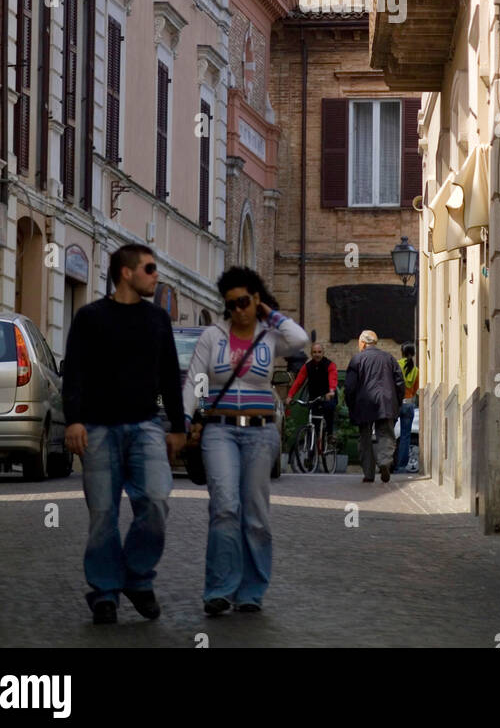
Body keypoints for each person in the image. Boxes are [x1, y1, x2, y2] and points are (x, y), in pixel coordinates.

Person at [62, 244, 186, 625]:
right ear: (126, 273)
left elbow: (169, 375)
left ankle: (135, 577)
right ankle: (104, 592)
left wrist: (178, 427)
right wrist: (74, 420)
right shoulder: (89, 317)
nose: (155, 275)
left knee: (155, 500)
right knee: (103, 515)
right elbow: (76, 372)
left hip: (146, 425)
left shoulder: (157, 320)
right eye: (149, 268)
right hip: (97, 429)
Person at [183, 266, 309, 615]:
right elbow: (195, 381)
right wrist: (184, 419)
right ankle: (219, 590)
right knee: (224, 507)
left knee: (255, 515)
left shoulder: (270, 336)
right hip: (219, 431)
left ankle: (252, 591)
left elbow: (300, 340)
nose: (237, 310)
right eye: (231, 304)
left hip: (261, 432)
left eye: (244, 301)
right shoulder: (213, 336)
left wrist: (271, 314)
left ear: (256, 299)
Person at [344, 329, 404, 484]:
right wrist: (397, 402)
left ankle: (369, 473)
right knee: (385, 434)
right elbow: (400, 383)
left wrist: (351, 405)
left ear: (363, 343)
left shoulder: (357, 360)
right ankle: (384, 462)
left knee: (365, 438)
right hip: (387, 402)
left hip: (364, 403)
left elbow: (350, 386)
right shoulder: (389, 358)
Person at [285, 342, 338, 441]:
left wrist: (331, 391)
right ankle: (312, 448)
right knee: (313, 421)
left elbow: (333, 378)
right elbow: (298, 382)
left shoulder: (330, 365)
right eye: (314, 352)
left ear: (323, 353)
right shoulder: (307, 367)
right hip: (314, 397)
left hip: (328, 395)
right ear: (311, 353)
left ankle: (330, 434)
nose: (317, 354)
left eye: (319, 352)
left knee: (329, 408)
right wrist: (290, 396)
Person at [396, 342, 419, 472]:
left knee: (388, 433)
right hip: (409, 403)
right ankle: (401, 467)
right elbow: (415, 390)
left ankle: (388, 463)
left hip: (396, 403)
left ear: (402, 352)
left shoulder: (397, 365)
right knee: (405, 436)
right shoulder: (416, 371)